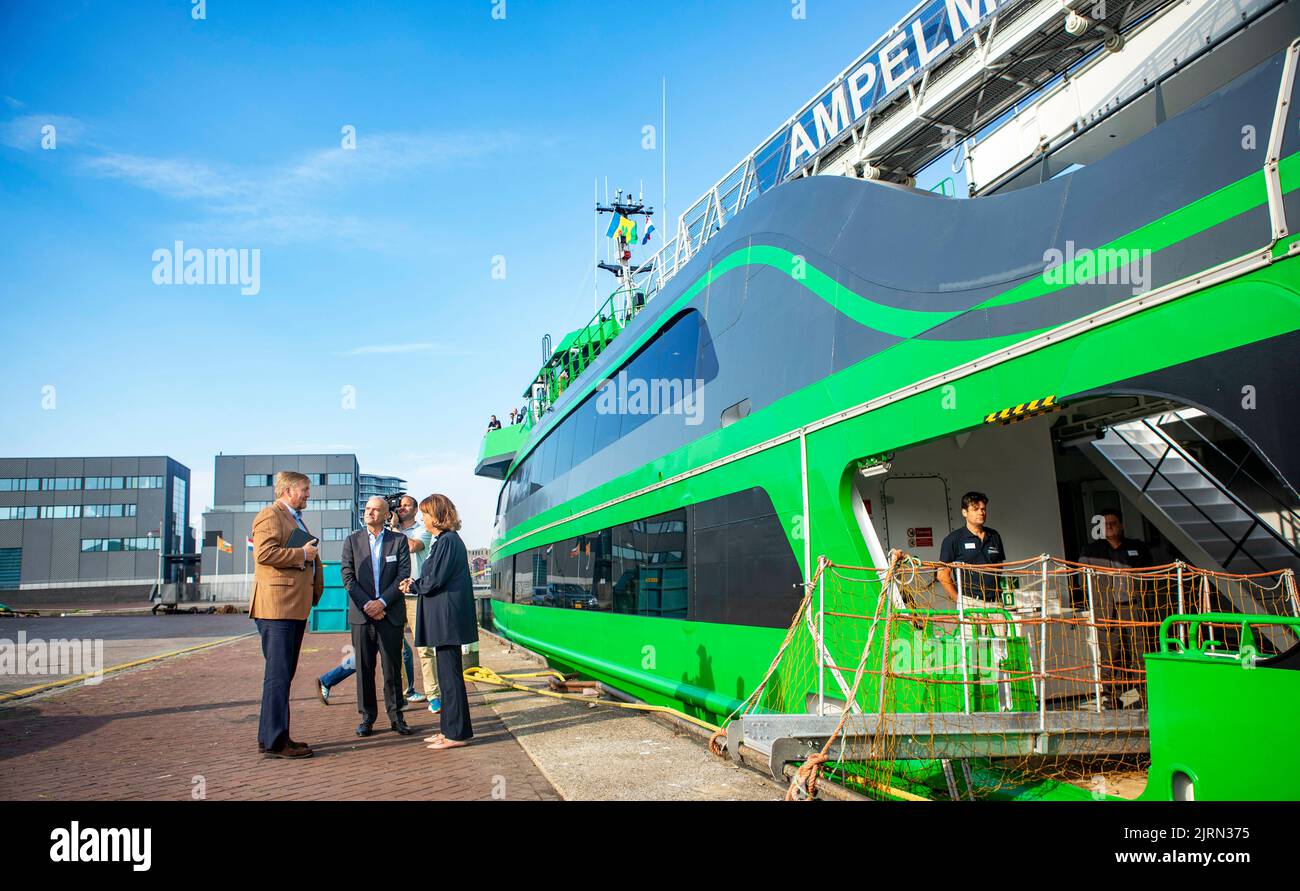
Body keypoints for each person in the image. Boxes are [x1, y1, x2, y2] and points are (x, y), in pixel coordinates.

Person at [250, 471, 324, 759]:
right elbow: (264, 554)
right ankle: (275, 742)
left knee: (282, 675)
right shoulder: (270, 515)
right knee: (278, 675)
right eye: (304, 489)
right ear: (289, 490)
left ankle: (272, 736)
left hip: (292, 607)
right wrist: (301, 555)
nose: (308, 494)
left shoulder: (295, 518)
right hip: (277, 608)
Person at [400, 494, 477, 750]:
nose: (423, 518)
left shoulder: (447, 541)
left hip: (447, 620)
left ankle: (456, 734)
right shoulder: (445, 541)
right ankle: (449, 730)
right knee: (447, 677)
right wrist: (416, 584)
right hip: (446, 619)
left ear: (437, 516)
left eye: (425, 514)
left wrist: (413, 585)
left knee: (450, 678)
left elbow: (435, 578)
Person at [341, 496, 413, 737]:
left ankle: (396, 717)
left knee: (392, 668)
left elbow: (403, 574)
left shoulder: (398, 541)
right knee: (364, 668)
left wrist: (381, 603)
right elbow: (348, 577)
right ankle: (367, 717)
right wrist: (368, 605)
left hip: (389, 614)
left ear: (385, 515)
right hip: (362, 616)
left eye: (375, 510)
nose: (369, 513)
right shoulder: (352, 541)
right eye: (367, 509)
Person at [1080, 510, 1155, 708]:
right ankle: (1112, 699)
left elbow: (1151, 572)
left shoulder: (1137, 547)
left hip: (1134, 607)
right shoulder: (1090, 551)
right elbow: (1082, 579)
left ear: (1121, 525)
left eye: (1113, 523)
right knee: (1110, 655)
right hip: (1107, 610)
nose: (1109, 527)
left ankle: (1143, 696)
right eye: (1105, 524)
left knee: (1140, 651)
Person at [394, 493, 441, 714]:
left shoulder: (422, 529)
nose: (402, 508)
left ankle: (434, 694)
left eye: (407, 505)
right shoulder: (389, 531)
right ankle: (405, 691)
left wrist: (394, 530)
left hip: (415, 595)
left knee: (424, 647)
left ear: (415, 510)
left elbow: (412, 546)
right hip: (395, 595)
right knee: (395, 647)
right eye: (400, 506)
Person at [937, 491, 1008, 625]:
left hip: (995, 603)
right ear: (964, 512)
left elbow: (999, 567)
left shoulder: (994, 536)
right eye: (975, 509)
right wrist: (959, 600)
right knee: (972, 639)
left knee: (999, 639)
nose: (981, 512)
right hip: (969, 603)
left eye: (983, 509)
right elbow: (942, 575)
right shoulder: (953, 539)